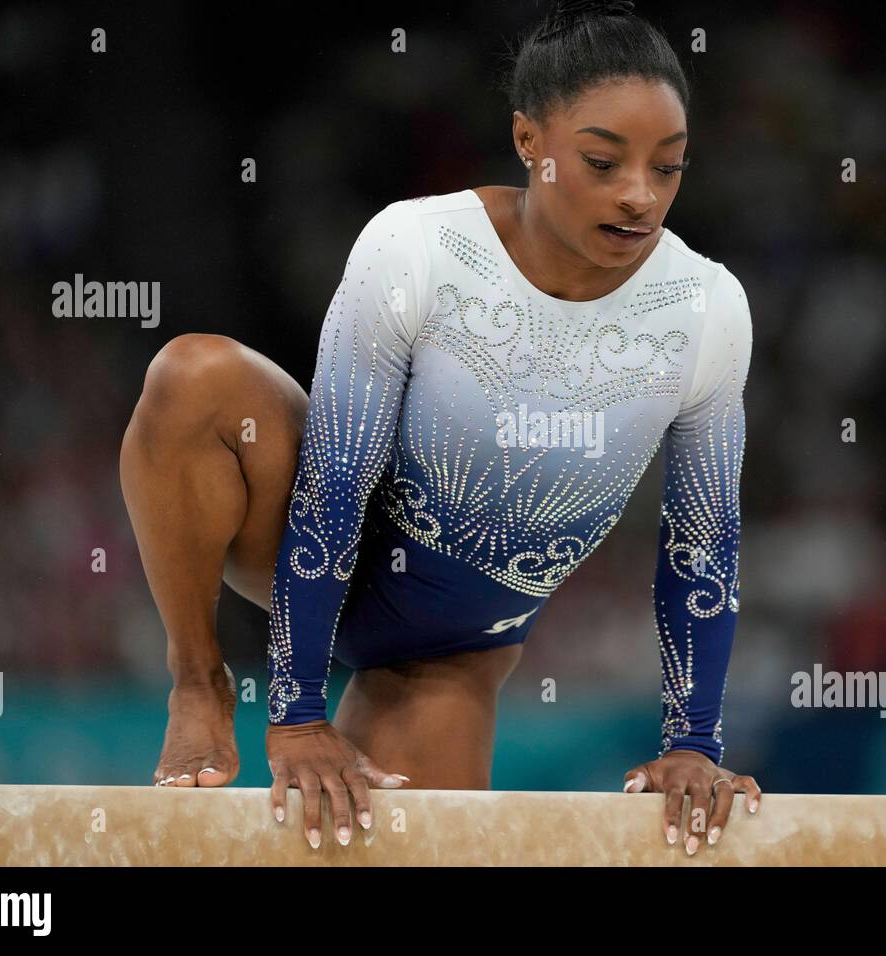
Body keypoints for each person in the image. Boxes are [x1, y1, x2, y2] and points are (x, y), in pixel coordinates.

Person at [119, 0, 760, 857]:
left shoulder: (705, 309)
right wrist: (296, 711)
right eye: (603, 161)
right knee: (194, 377)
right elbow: (336, 477)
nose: (640, 195)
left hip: (449, 652)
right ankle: (197, 676)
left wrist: (694, 745)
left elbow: (702, 542)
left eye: (670, 168)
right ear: (531, 142)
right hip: (308, 548)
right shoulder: (420, 247)